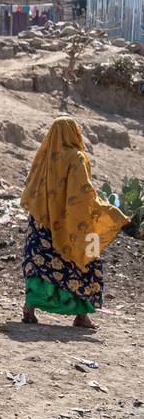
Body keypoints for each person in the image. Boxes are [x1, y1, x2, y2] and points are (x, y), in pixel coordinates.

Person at [20, 117, 129, 329]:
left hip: (41, 222)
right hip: (71, 224)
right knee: (86, 262)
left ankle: (30, 308)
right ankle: (81, 315)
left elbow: (31, 189)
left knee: (40, 264)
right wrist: (108, 212)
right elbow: (84, 193)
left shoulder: (43, 157)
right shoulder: (78, 158)